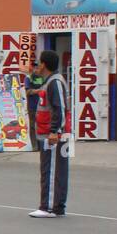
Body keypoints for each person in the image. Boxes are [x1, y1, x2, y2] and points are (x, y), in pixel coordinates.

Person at [30, 50, 69, 219]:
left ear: (44, 64)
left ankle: (48, 207)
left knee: (51, 169)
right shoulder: (50, 81)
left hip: (54, 135)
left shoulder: (55, 82)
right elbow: (36, 78)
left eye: (39, 63)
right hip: (54, 133)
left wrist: (55, 131)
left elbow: (60, 108)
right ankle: (57, 206)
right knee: (57, 170)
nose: (37, 66)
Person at [25, 62, 46, 152]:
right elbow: (27, 92)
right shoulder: (28, 78)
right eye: (35, 68)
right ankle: (35, 146)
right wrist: (38, 91)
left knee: (42, 125)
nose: (37, 69)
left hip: (42, 105)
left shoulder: (42, 78)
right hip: (32, 106)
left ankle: (42, 144)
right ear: (32, 69)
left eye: (38, 68)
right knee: (33, 126)